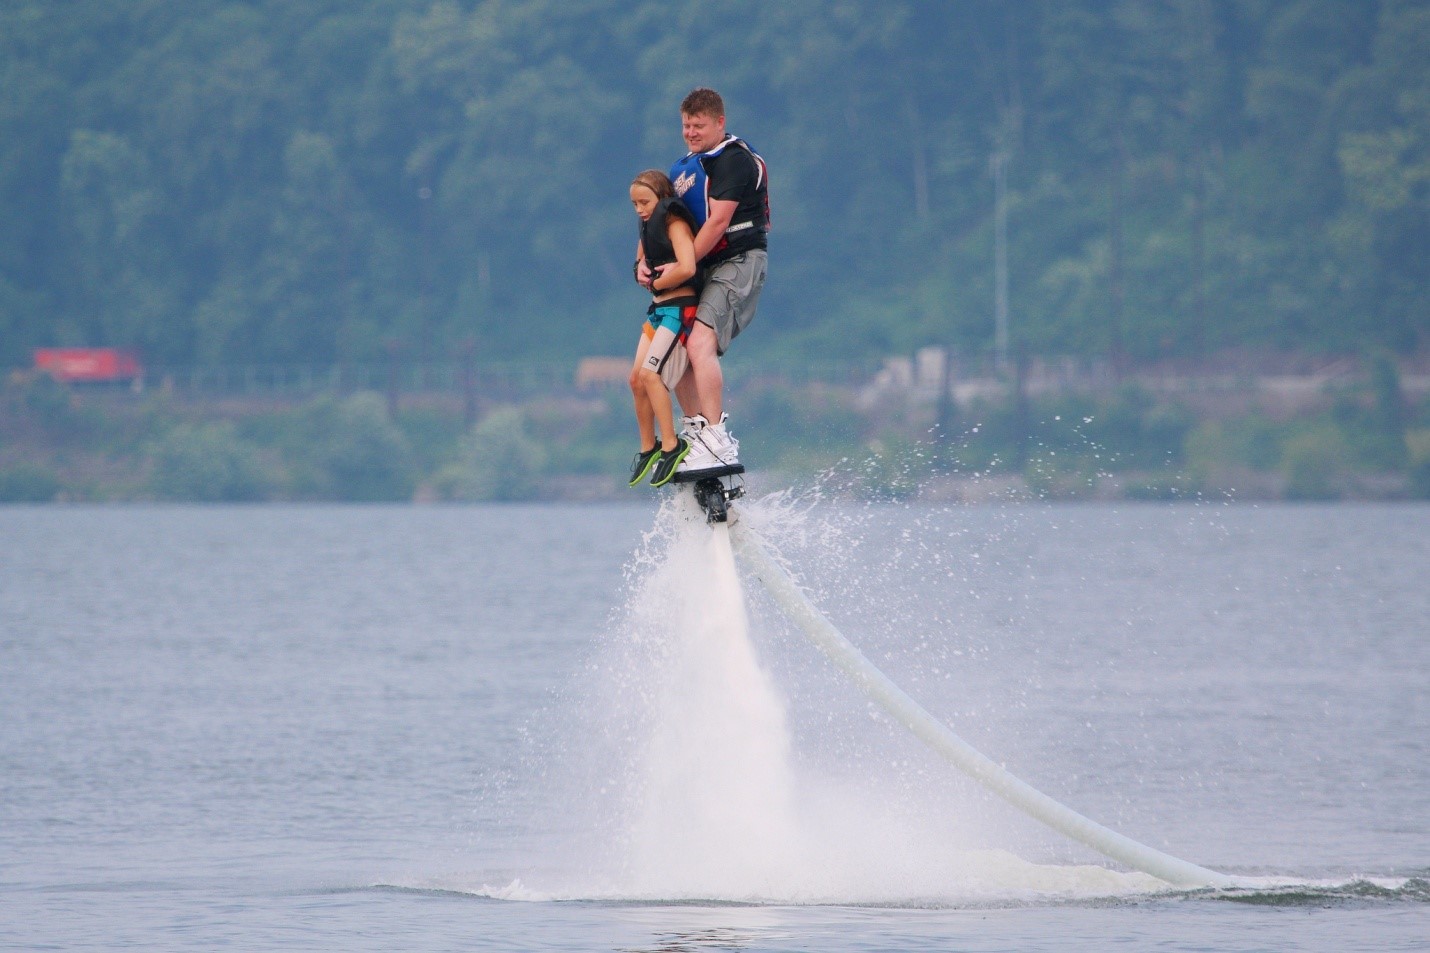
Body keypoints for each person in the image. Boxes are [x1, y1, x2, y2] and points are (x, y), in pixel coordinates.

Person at [637, 87, 768, 475]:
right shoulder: (682, 169)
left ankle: (717, 439)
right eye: (686, 126)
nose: (691, 132)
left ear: (720, 122)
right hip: (702, 266)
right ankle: (696, 436)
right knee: (678, 349)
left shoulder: (734, 161)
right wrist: (642, 263)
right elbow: (659, 222)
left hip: (739, 262)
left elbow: (717, 222)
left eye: (699, 125)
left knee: (699, 341)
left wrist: (680, 267)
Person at [626, 169, 700, 488]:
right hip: (657, 311)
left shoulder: (674, 221)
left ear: (660, 196)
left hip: (678, 310)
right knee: (635, 379)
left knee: (650, 375)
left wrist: (657, 281)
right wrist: (640, 270)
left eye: (645, 202)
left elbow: (687, 266)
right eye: (635, 204)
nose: (641, 209)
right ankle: (649, 447)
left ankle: (672, 445)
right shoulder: (647, 225)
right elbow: (640, 259)